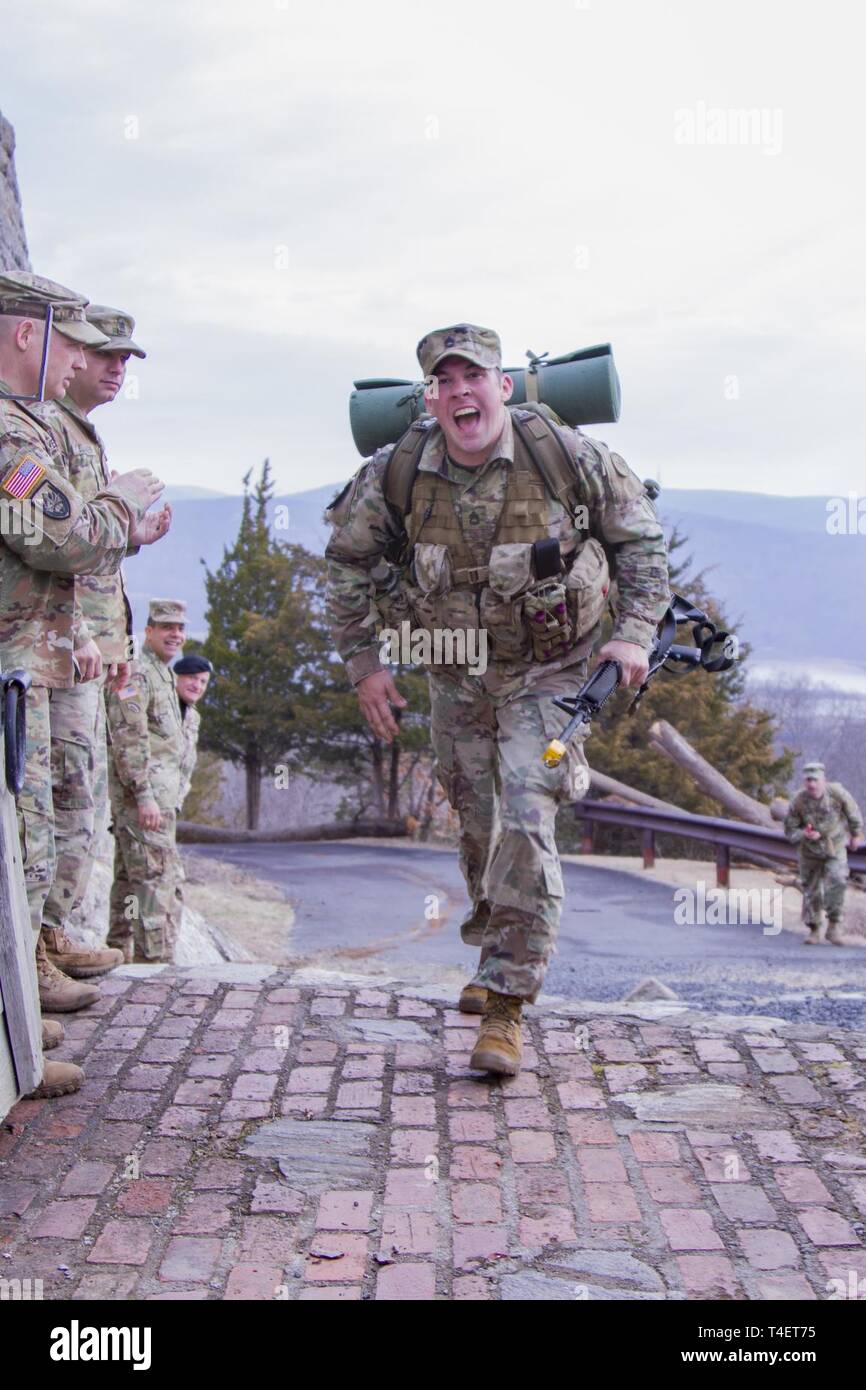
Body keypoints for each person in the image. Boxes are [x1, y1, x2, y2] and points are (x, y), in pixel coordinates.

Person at [325, 323, 670, 1075]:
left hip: (552, 668)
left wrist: (635, 633)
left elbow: (641, 542)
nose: (460, 393)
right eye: (444, 383)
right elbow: (346, 562)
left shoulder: (565, 456)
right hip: (454, 671)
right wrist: (364, 664)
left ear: (502, 387)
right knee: (478, 822)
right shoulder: (401, 471)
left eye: (472, 378)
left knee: (524, 804)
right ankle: (494, 950)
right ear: (430, 399)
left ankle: (508, 1003)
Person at [0, 271, 165, 1096]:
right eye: (74, 343)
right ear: (32, 335)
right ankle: (17, 1036)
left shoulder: (32, 425)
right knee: (27, 844)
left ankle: (20, 1026)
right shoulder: (12, 432)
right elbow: (62, 539)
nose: (81, 365)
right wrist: (120, 506)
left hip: (30, 664)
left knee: (37, 838)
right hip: (22, 665)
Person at [35, 302, 171, 983]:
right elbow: (54, 549)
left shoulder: (78, 433)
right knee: (59, 797)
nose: (118, 369)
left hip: (85, 650)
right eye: (108, 355)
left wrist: (134, 538)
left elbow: (88, 549)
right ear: (72, 353)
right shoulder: (46, 432)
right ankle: (37, 946)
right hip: (56, 649)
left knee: (76, 797)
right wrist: (80, 631)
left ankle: (50, 934)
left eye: (126, 359)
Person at [105, 599, 188, 962]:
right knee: (154, 882)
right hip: (144, 803)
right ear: (149, 632)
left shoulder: (164, 674)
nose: (175, 634)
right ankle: (153, 967)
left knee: (129, 880)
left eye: (180, 628)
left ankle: (118, 957)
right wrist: (144, 796)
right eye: (166, 627)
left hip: (159, 800)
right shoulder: (137, 674)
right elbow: (129, 736)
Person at [784, 761, 864, 945]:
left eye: (815, 780)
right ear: (804, 782)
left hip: (834, 846)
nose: (812, 784)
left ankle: (834, 927)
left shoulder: (836, 794)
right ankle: (814, 928)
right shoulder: (798, 801)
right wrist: (804, 834)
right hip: (809, 851)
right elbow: (790, 830)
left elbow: (853, 812)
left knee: (837, 881)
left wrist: (855, 834)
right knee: (811, 889)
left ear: (823, 780)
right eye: (808, 780)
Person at [173, 654, 213, 811]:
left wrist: (177, 802)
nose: (198, 686)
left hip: (170, 805)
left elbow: (186, 763)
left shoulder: (193, 716)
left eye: (203, 682)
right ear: (176, 677)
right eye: (192, 678)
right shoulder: (158, 706)